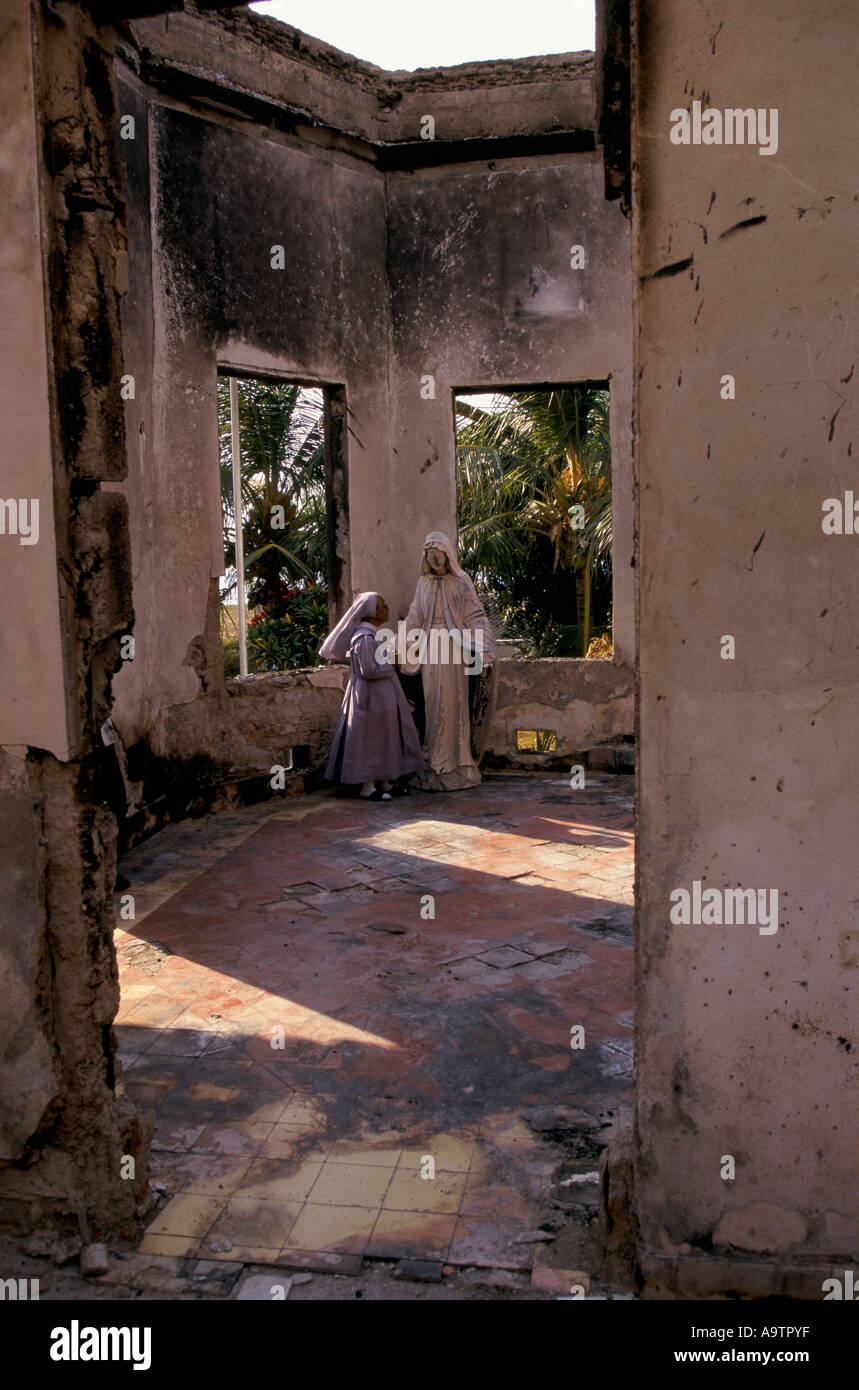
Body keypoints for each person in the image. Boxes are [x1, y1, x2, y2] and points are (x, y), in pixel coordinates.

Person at [402, 532, 496, 791]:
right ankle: (433, 759)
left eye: (439, 557)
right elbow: (414, 616)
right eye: (431, 558)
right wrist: (402, 644)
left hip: (455, 648)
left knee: (456, 700)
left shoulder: (462, 580)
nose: (435, 561)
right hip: (432, 647)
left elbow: (475, 614)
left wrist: (484, 645)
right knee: (433, 701)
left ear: (447, 556)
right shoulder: (423, 584)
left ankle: (458, 761)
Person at [321, 591, 424, 800]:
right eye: (383, 606)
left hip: (380, 697)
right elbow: (368, 670)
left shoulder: (370, 636)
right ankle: (367, 785)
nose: (387, 609)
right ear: (373, 612)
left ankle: (384, 781)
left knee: (385, 738)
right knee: (370, 739)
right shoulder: (363, 638)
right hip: (369, 699)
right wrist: (392, 663)